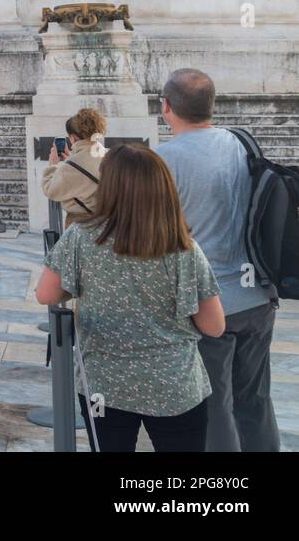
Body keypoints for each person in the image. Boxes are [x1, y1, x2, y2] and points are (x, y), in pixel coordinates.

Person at [37, 143, 225, 452]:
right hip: (173, 385)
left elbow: (46, 293)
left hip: (105, 385)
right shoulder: (183, 248)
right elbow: (214, 325)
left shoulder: (82, 237)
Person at [156, 67, 281, 451]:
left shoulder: (163, 160)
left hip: (207, 303)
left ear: (166, 108)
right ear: (212, 105)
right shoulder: (242, 143)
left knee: (213, 407)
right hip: (258, 295)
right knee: (255, 399)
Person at [41, 107, 107, 227]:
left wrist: (53, 166)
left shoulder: (71, 166)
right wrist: (71, 161)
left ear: (72, 137)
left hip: (82, 226)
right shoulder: (110, 155)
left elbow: (51, 190)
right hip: (110, 225)